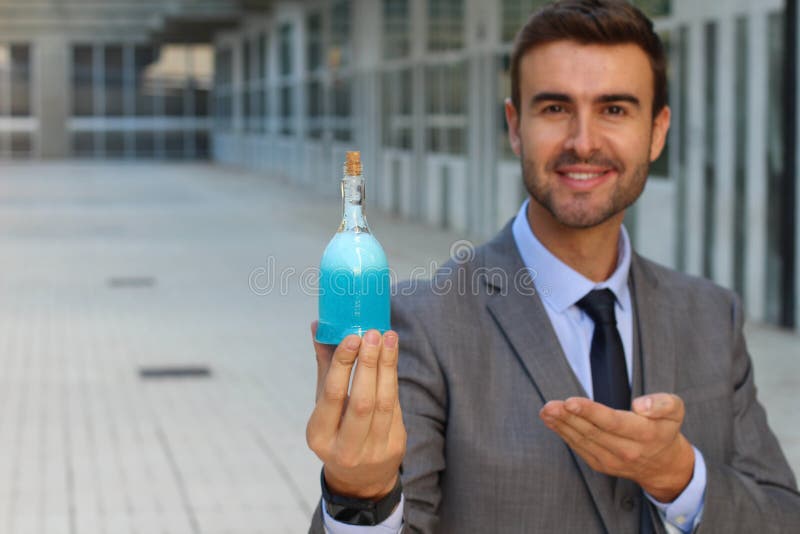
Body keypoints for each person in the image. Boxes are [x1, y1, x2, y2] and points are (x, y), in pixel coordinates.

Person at [306, 1, 800, 532]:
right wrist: (361, 496)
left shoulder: (711, 313)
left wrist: (681, 476)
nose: (583, 142)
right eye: (556, 108)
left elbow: (782, 514)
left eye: (614, 109)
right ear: (515, 127)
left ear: (657, 131)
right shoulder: (425, 321)